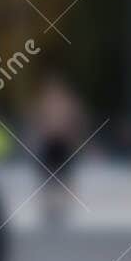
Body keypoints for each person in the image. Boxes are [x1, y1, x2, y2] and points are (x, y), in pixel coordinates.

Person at [29, 74, 84, 223]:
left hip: (62, 143)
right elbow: (38, 122)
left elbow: (74, 121)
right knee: (48, 177)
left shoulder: (66, 102)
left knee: (63, 177)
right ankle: (51, 207)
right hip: (49, 142)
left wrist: (74, 140)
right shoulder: (44, 102)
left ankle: (60, 207)